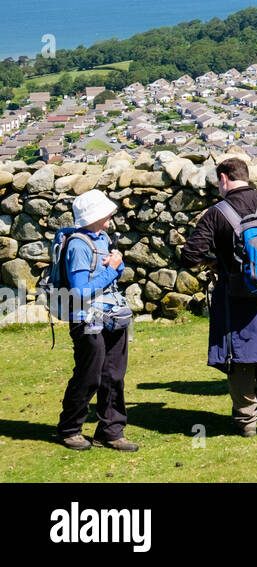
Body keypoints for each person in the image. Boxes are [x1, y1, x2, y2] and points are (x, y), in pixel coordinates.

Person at [181, 157, 257, 437]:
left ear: (223, 178)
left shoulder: (216, 213)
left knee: (239, 356)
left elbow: (189, 256)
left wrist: (216, 262)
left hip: (233, 296)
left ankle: (246, 422)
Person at [56, 189, 137, 452]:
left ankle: (111, 431)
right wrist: (113, 270)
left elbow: (114, 270)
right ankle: (70, 429)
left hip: (112, 315)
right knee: (89, 375)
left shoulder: (101, 237)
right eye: (106, 214)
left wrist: (118, 264)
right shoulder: (79, 245)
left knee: (113, 375)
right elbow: (79, 293)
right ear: (94, 216)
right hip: (87, 318)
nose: (110, 217)